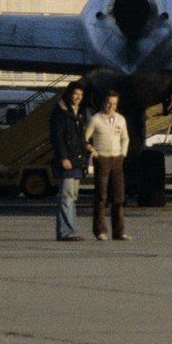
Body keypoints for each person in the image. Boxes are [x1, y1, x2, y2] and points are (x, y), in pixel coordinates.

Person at [84, 92, 130, 240]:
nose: (111, 106)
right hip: (102, 159)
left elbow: (125, 138)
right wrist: (94, 152)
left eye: (114, 104)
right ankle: (100, 231)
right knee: (101, 196)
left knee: (118, 197)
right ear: (103, 103)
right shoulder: (96, 119)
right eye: (109, 103)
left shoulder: (120, 119)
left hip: (117, 159)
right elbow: (84, 138)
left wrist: (123, 153)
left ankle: (119, 232)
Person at [49, 82, 89, 241]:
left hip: (78, 159)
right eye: (75, 94)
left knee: (72, 196)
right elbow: (57, 137)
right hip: (67, 160)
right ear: (69, 94)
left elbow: (82, 136)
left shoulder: (81, 112)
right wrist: (63, 157)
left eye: (81, 94)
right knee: (66, 197)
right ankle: (66, 232)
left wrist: (87, 147)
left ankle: (71, 229)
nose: (78, 97)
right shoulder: (59, 112)